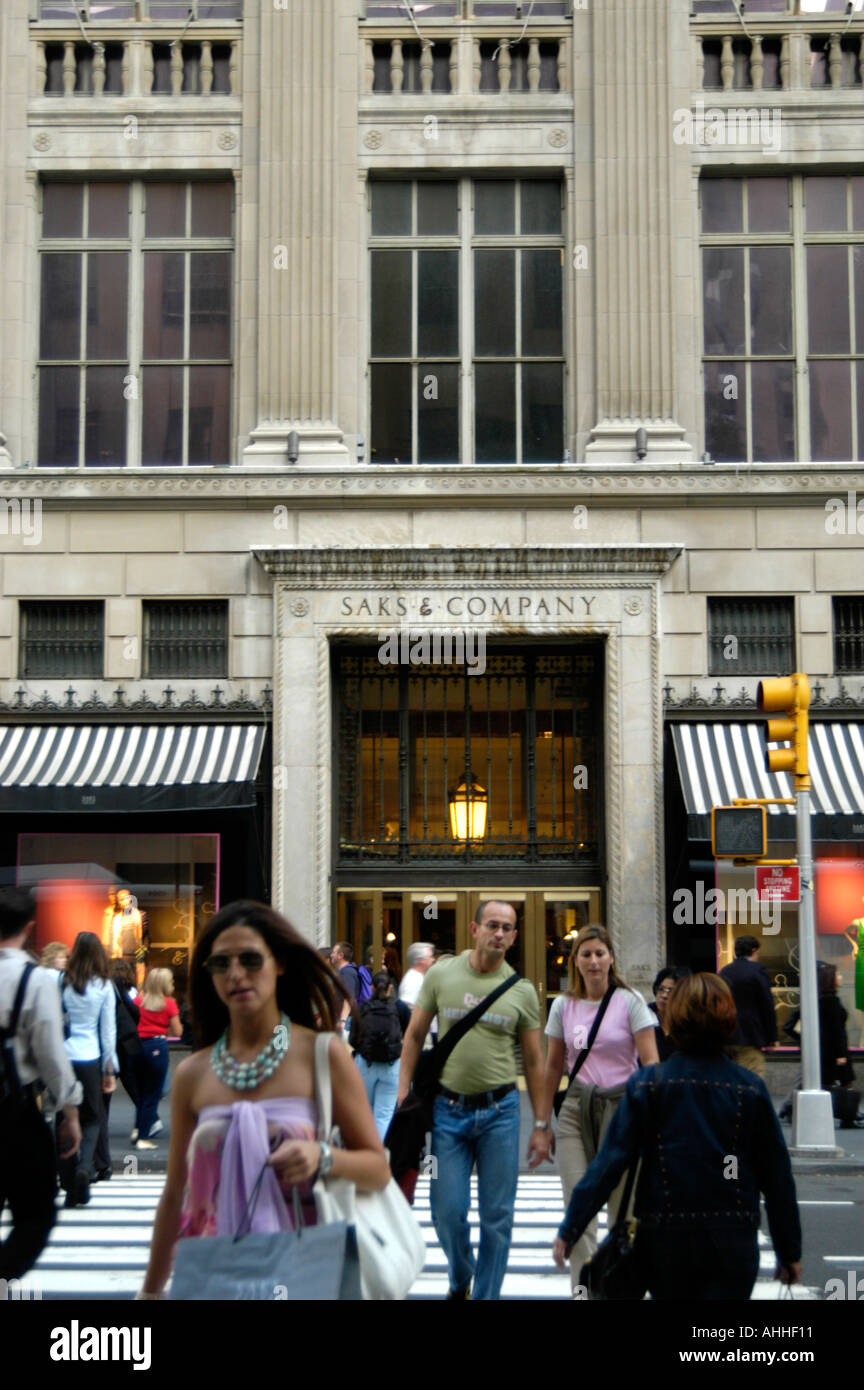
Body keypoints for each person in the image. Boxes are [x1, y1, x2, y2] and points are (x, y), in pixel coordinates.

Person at [136, 901, 389, 1299]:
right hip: (212, 1272)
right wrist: (150, 1291)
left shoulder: (322, 1055)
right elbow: (174, 1193)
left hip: (304, 1269)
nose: (236, 974)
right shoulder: (192, 1073)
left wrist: (322, 1155)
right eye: (221, 963)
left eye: (251, 959)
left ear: (280, 964)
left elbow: (378, 1168)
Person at [553, 973, 803, 1300]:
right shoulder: (749, 1088)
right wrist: (789, 1251)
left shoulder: (648, 1085)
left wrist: (571, 1228)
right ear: (728, 1020)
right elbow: (777, 1178)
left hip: (665, 1239)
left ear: (671, 1021)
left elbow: (609, 1164)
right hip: (732, 1240)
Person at [397, 900, 550, 1301]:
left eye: (507, 928)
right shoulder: (442, 974)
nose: (499, 934)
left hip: (502, 1113)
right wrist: (402, 1093)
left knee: (497, 1218)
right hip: (448, 1111)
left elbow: (535, 1060)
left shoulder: (521, 991)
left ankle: (485, 1296)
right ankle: (459, 1275)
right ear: (474, 928)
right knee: (446, 1212)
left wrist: (540, 1124)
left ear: (515, 937)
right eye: (492, 925)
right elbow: (413, 1035)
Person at [539, 924, 658, 1296]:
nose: (593, 961)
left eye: (600, 954)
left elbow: (651, 1064)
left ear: (611, 959)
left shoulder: (631, 1002)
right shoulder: (563, 1005)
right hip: (576, 1108)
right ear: (575, 961)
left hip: (624, 1108)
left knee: (622, 1214)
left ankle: (618, 1290)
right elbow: (552, 1066)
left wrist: (654, 1119)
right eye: (586, 954)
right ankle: (584, 1293)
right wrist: (542, 1123)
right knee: (578, 1205)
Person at [0, 887, 81, 1283]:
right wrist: (70, 1111)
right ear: (30, 927)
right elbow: (51, 1052)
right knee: (37, 1212)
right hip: (14, 1111)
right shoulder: (35, 980)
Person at [60, 932, 117, 1208]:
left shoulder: (63, 981)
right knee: (92, 1117)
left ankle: (70, 1184)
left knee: (64, 1118)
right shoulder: (104, 985)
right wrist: (110, 1068)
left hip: (64, 1056)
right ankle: (85, 1165)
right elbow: (108, 1031)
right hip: (90, 1056)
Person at [350, 971, 410, 1141]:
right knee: (383, 1116)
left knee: (365, 1111)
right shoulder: (400, 1007)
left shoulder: (362, 1008)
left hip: (365, 1064)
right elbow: (408, 1033)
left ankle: (364, 1154)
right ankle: (380, 1157)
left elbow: (352, 1038)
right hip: (392, 1065)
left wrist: (363, 1050)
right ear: (391, 987)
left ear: (371, 987)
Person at [132, 968, 182, 1149]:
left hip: (137, 1047)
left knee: (140, 1092)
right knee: (152, 1094)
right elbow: (178, 1032)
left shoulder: (138, 1001)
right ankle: (143, 1138)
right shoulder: (168, 1004)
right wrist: (163, 1028)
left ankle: (138, 1128)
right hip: (157, 1047)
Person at [719, 934, 777, 1077]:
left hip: (727, 1035)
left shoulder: (724, 971)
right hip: (751, 1035)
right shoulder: (757, 970)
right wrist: (772, 1037)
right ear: (754, 950)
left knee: (731, 1080)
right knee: (753, 1080)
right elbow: (766, 1004)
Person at [817, 962, 857, 1125]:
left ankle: (848, 1114)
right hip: (835, 1051)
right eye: (838, 975)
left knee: (834, 1084)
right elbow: (836, 1030)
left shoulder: (825, 999)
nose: (841, 977)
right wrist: (840, 1054)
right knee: (841, 1084)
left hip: (829, 1049)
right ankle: (847, 1115)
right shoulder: (831, 1001)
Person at [649, 966, 689, 1062]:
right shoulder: (645, 1017)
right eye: (661, 989)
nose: (664, 995)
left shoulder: (688, 1022)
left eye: (671, 991)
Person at [330, 942, 361, 1038]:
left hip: (347, 1022)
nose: (331, 955)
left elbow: (349, 998)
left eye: (333, 952)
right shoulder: (346, 972)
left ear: (340, 956)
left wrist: (343, 1020)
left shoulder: (346, 972)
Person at [398, 942, 434, 1009]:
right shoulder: (413, 981)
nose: (433, 960)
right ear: (421, 960)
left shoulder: (418, 977)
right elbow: (407, 1008)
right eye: (430, 956)